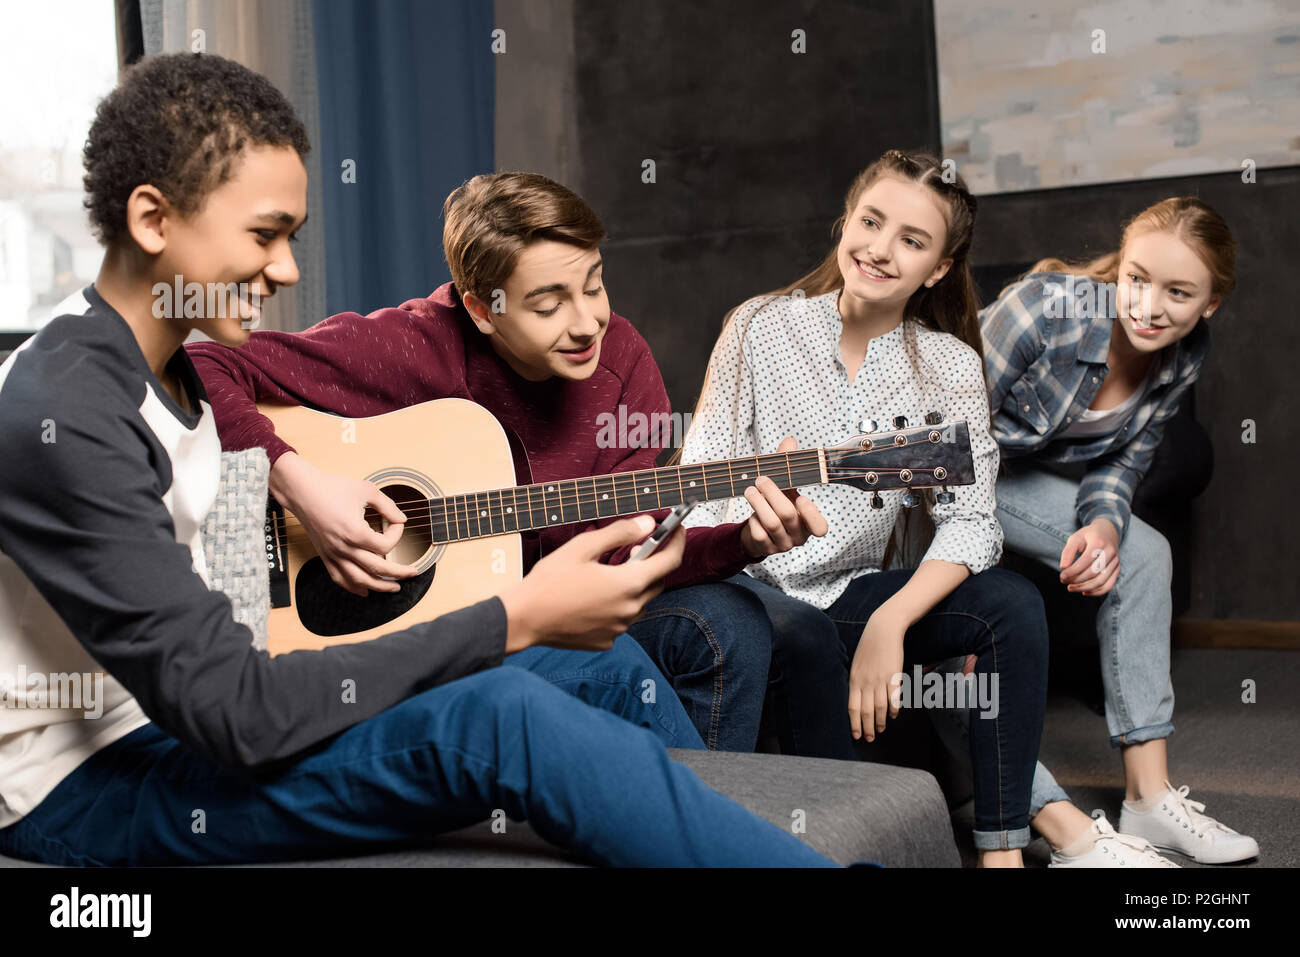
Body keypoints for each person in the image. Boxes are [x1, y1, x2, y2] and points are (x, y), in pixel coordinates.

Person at [0, 52, 835, 868]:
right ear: (153, 221)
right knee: (503, 716)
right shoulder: (64, 409)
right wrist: (514, 617)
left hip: (222, 693)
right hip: (97, 777)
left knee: (611, 669)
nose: (288, 269)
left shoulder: (176, 363)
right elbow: (236, 714)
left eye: (293, 235)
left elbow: (225, 593)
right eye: (265, 235)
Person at [188, 170, 826, 753]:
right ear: (480, 309)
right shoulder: (408, 346)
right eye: (548, 305)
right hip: (446, 625)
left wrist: (745, 539)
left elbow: (627, 556)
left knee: (734, 627)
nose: (587, 324)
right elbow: (198, 365)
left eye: (595, 285)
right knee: (626, 676)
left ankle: (705, 828)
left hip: (560, 604)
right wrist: (303, 486)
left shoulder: (623, 364)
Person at [676, 149, 1049, 867]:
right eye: (871, 222)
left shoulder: (949, 365)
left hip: (850, 591)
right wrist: (745, 532)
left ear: (938, 267)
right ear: (846, 220)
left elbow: (972, 519)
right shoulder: (759, 326)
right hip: (750, 584)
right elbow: (700, 474)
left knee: (1013, 604)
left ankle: (1002, 852)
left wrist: (891, 617)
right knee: (802, 637)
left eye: (912, 240)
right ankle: (844, 848)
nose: (880, 249)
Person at [979, 196, 1258, 865]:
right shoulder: (1046, 308)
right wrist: (966, 563)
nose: (1148, 306)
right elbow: (943, 425)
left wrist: (1102, 524)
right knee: (965, 628)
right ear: (1119, 268)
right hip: (940, 474)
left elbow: (1123, 458)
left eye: (1177, 292)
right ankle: (1060, 828)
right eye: (1136, 278)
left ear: (1210, 303)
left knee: (1143, 549)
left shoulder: (1184, 352)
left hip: (1021, 481)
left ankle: (1148, 796)